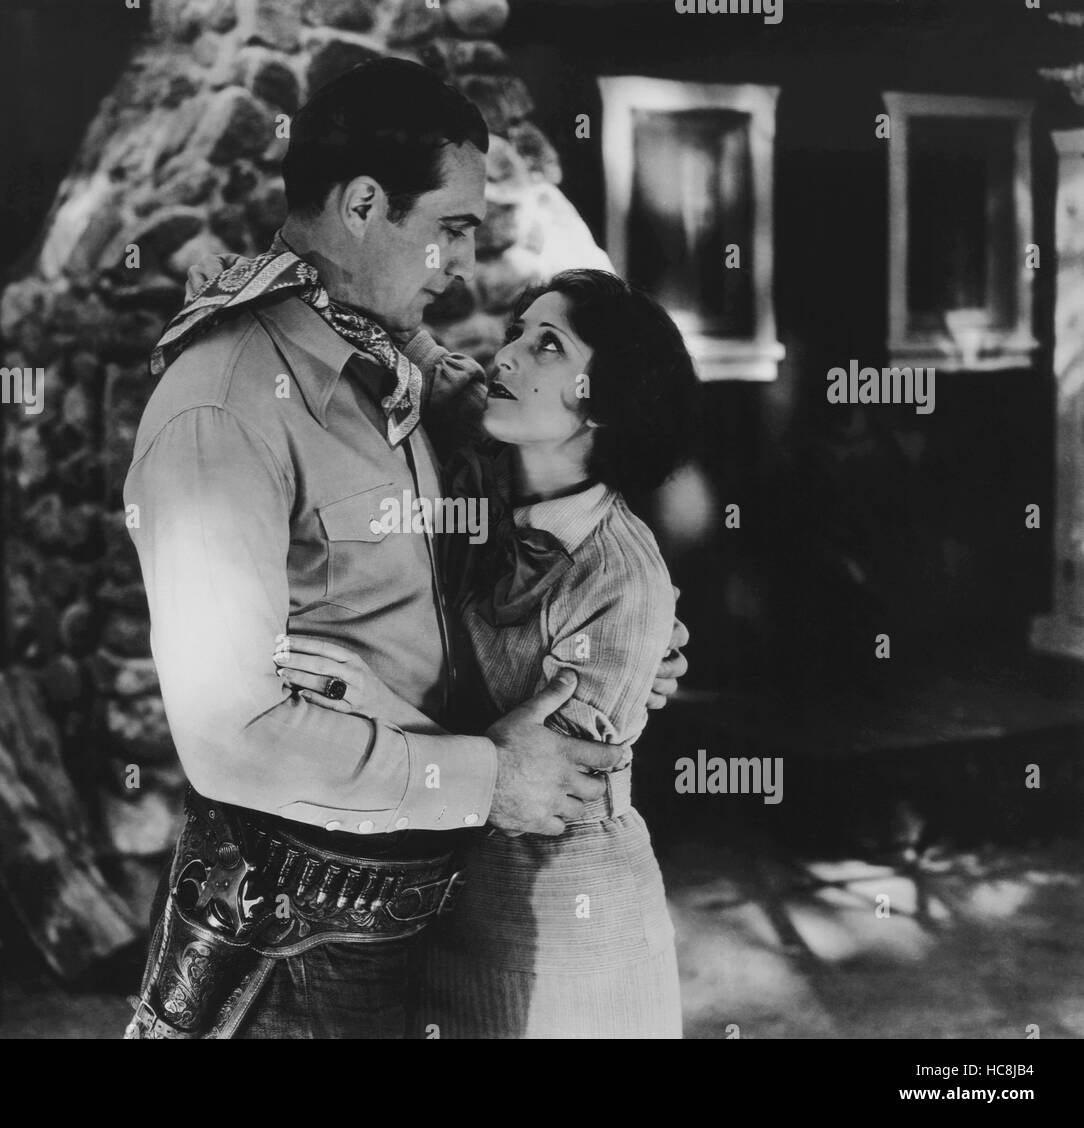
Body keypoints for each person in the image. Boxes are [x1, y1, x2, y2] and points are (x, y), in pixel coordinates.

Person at [122, 58, 688, 1040]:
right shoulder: (223, 405)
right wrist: (485, 775)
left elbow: (515, 539)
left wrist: (629, 638)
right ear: (365, 204)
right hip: (288, 941)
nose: (462, 265)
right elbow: (230, 739)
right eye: (449, 229)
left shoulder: (394, 372)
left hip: (416, 921)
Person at [275, 269, 699, 1036]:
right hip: (447, 896)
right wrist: (249, 286)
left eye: (547, 345)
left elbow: (541, 782)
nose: (506, 356)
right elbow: (407, 340)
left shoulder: (624, 578)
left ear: (601, 399)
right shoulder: (481, 465)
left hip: (568, 917)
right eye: (517, 333)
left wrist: (372, 703)